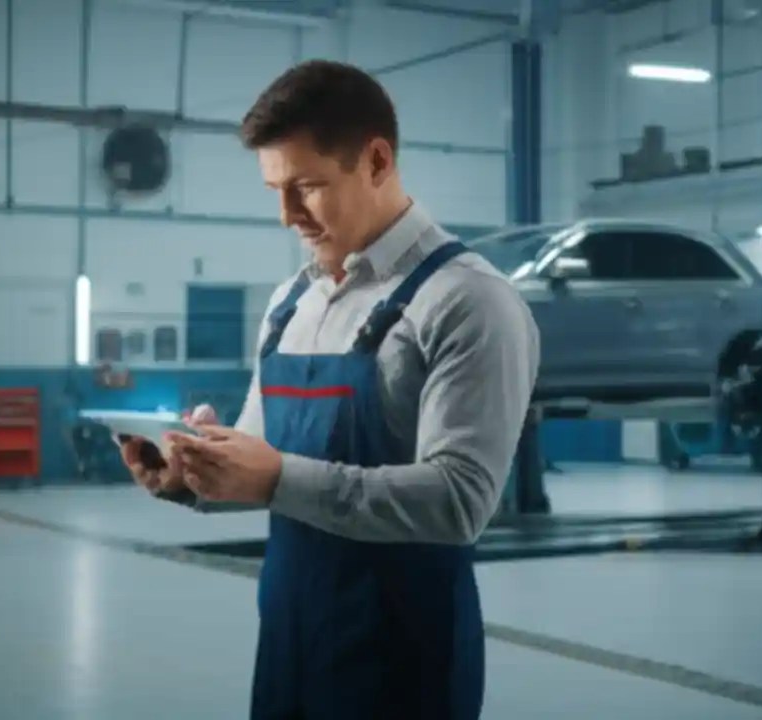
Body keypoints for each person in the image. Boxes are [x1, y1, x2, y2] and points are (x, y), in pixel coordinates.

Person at [122, 59, 540, 720]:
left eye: (308, 186)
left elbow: (460, 501)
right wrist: (192, 471)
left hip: (403, 663)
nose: (287, 215)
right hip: (290, 642)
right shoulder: (293, 301)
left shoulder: (468, 301)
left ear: (376, 160)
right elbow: (261, 460)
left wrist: (273, 478)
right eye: (275, 190)